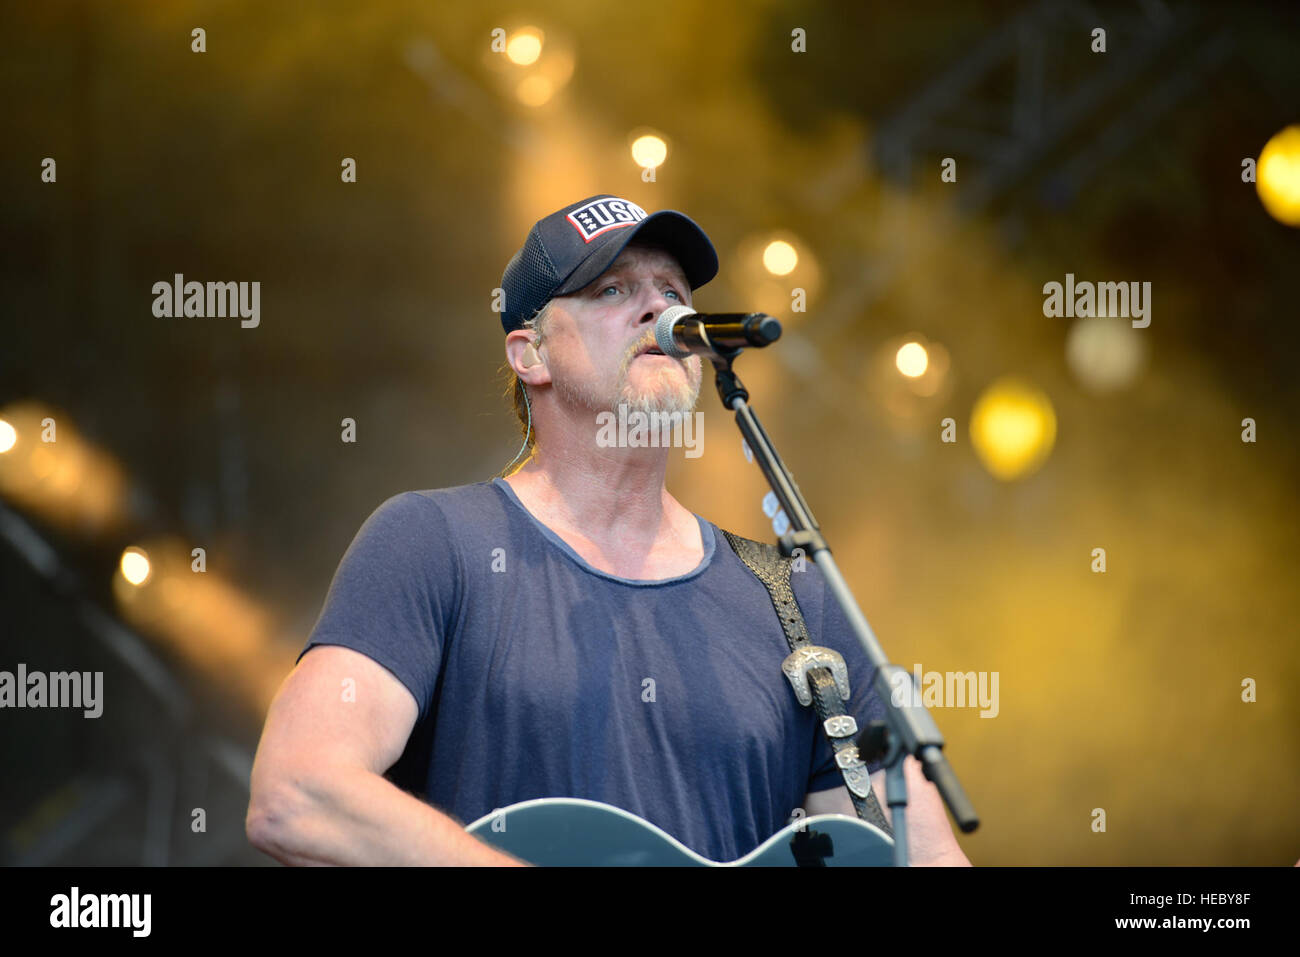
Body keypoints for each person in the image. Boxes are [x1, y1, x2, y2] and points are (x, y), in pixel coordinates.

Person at [245, 194, 971, 866]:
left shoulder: (797, 602)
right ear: (529, 353)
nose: (657, 307)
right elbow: (298, 790)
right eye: (613, 289)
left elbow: (929, 856)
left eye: (673, 292)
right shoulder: (433, 542)